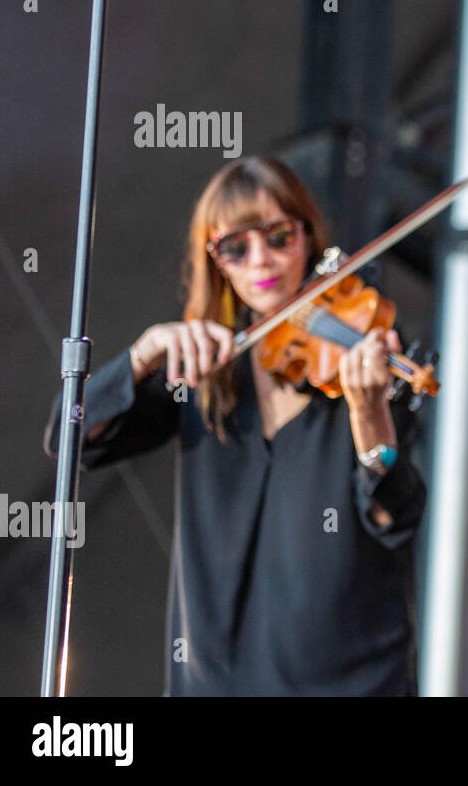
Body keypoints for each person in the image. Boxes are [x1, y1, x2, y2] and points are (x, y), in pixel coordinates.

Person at [43, 157, 427, 695]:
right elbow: (71, 437)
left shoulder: (362, 358)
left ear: (308, 239)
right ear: (216, 262)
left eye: (278, 236)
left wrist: (369, 416)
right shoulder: (204, 375)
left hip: (351, 683)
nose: (261, 260)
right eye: (235, 248)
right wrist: (144, 354)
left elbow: (394, 516)